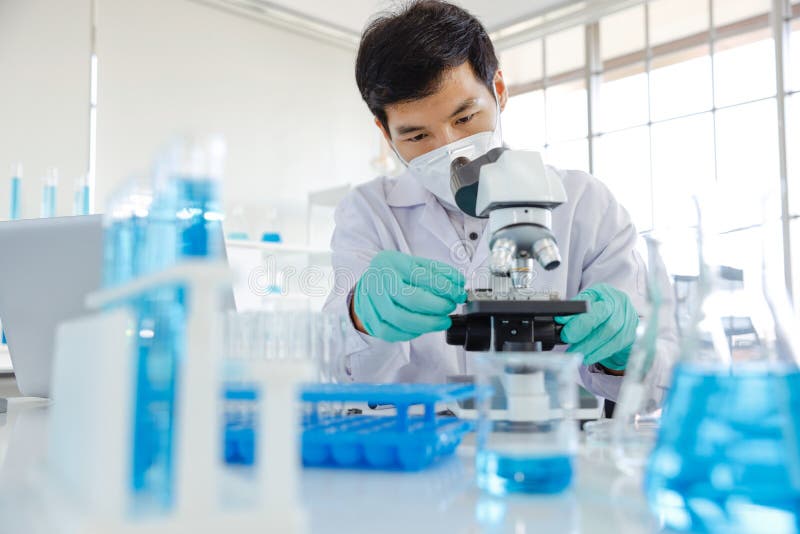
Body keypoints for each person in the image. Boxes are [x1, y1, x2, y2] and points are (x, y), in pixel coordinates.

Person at [323, 0, 675, 404]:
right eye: (418, 136)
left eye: (465, 118)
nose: (450, 149)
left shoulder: (586, 204)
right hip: (417, 438)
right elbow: (335, 369)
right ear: (385, 133)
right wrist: (359, 316)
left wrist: (625, 352)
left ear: (499, 91)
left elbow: (659, 383)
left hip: (551, 434)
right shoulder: (367, 212)